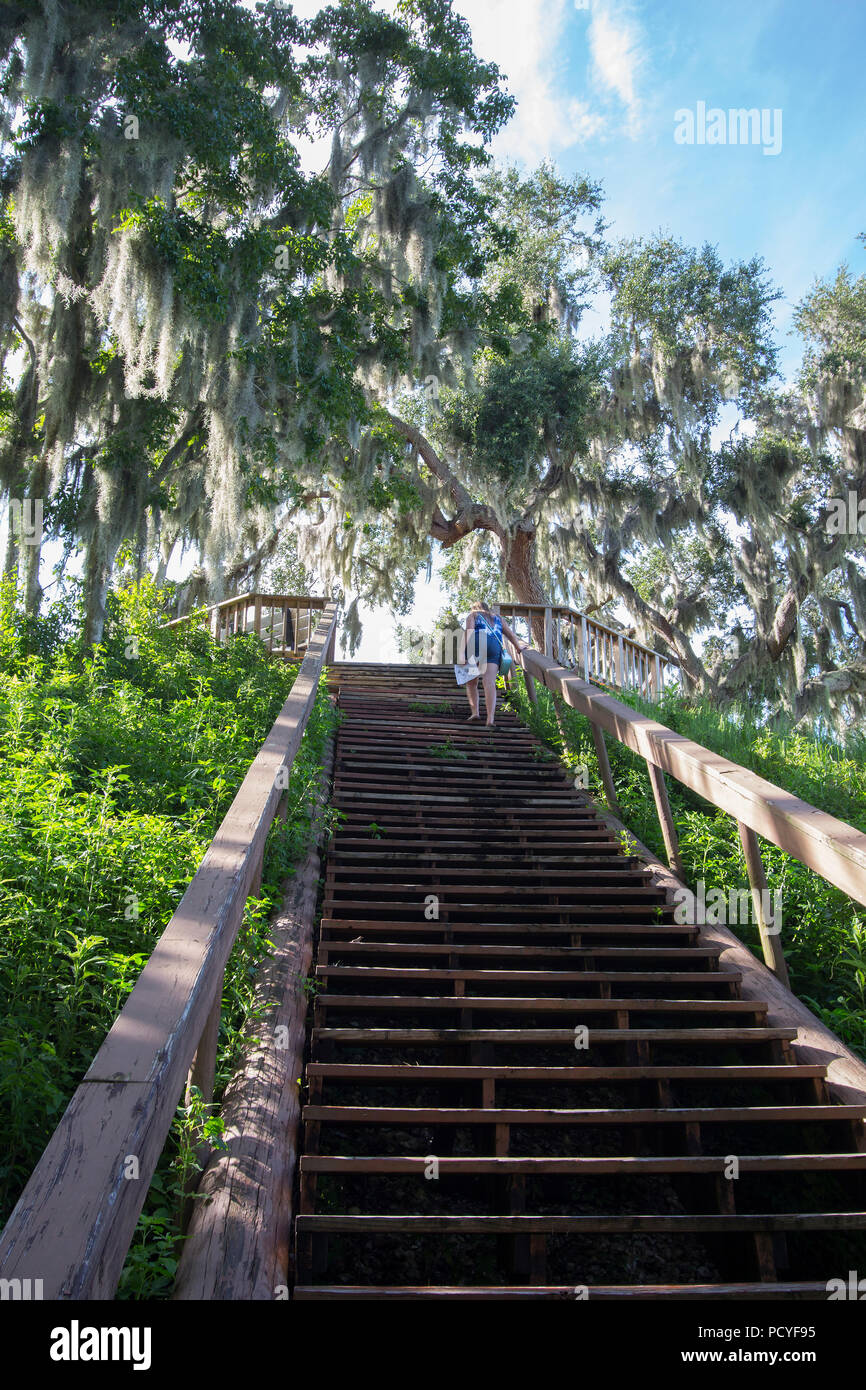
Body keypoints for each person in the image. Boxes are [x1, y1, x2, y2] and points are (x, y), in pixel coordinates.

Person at [459, 601, 527, 727]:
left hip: (478, 645)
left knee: (472, 682)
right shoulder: (498, 618)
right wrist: (518, 648)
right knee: (489, 682)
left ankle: (475, 713)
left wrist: (462, 653)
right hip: (494, 648)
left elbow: (469, 632)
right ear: (487, 608)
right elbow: (511, 634)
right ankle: (490, 719)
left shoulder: (473, 615)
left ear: (474, 608)